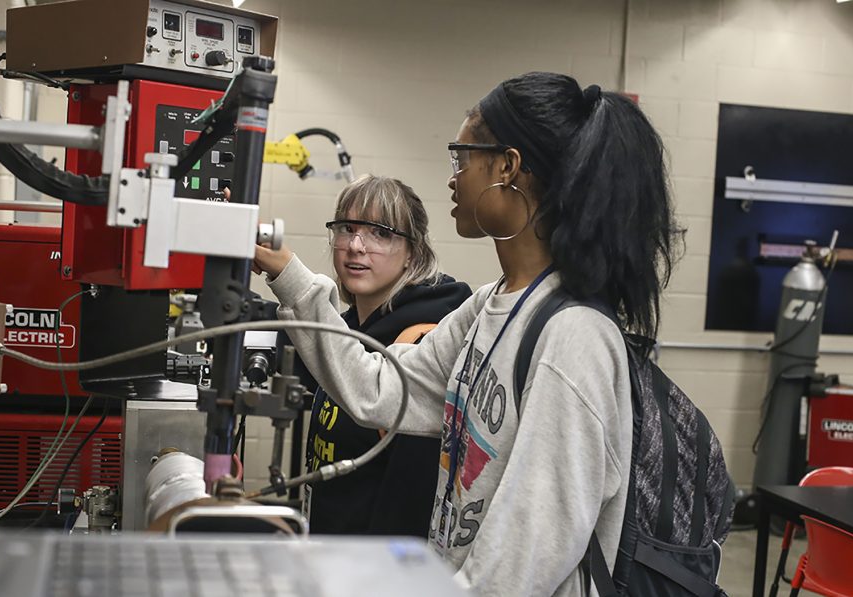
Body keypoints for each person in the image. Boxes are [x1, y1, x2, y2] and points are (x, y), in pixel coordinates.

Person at [255, 72, 680, 596]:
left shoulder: (574, 339)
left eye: (462, 157)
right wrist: (288, 274)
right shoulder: (489, 305)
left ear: (507, 167)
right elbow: (379, 389)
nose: (452, 178)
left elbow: (522, 563)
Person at [298, 174, 472, 537]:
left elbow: (410, 502)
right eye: (347, 228)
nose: (356, 246)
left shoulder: (423, 340)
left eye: (380, 233)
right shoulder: (344, 331)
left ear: (413, 252)